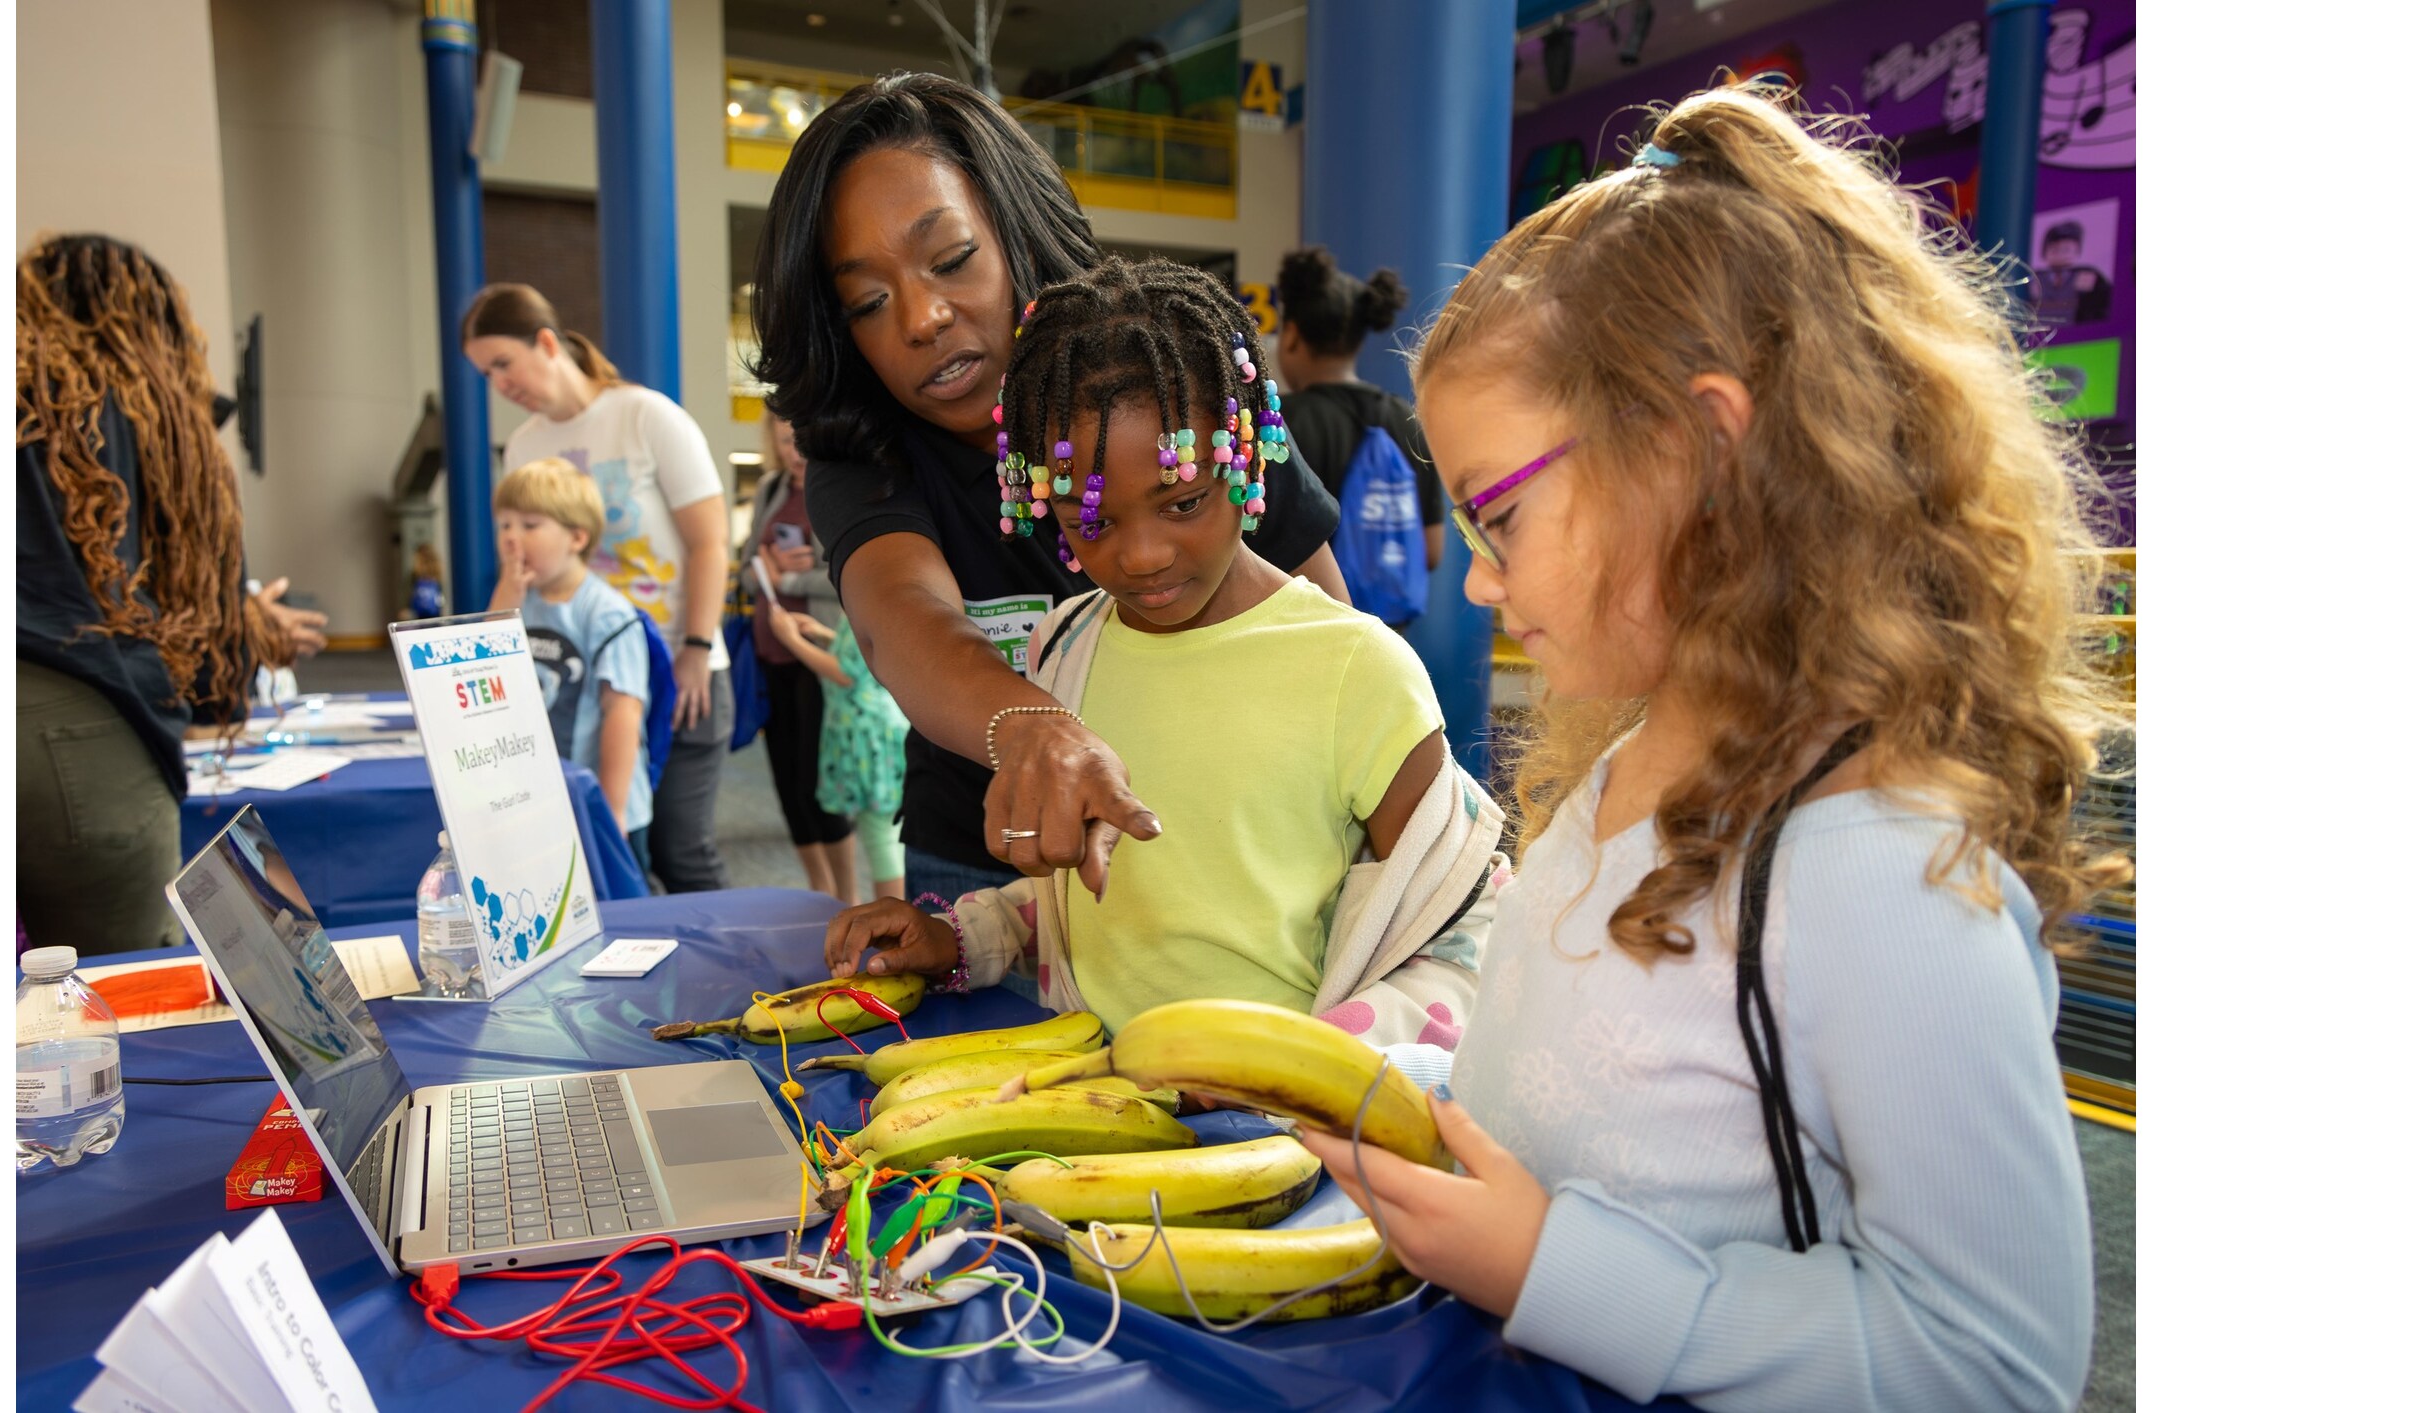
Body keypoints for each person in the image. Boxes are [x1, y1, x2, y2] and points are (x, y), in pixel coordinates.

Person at [1296, 90, 2118, 1411]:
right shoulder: (1628, 767)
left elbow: (1989, 1362)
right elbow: (1622, 1113)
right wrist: (1417, 1095)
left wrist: (1550, 1266)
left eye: (1502, 518)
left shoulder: (1878, 874)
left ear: (1700, 451)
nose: (1483, 587)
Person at [817, 256, 1504, 1044]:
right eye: (1092, 520)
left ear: (1245, 459)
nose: (1140, 556)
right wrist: (961, 939)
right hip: (1093, 1113)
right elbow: (1089, 912)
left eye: (1183, 501)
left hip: (1280, 1133)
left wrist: (1300, 1058)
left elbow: (1463, 933)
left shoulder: (1359, 668)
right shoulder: (1063, 652)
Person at [751, 71, 1353, 909]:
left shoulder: (1177, 370)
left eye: (952, 259)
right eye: (869, 301)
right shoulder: (864, 453)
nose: (922, 317)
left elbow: (1331, 637)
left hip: (1226, 850)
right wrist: (1032, 730)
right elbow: (909, 623)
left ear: (1015, 232)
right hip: (986, 865)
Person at [17, 233, 325, 953]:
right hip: (79, 726)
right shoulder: (153, 412)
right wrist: (248, 637)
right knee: (117, 993)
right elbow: (206, 630)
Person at [463, 284, 733, 893]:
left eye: (503, 362)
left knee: (679, 851)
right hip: (583, 675)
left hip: (673, 659)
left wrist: (694, 646)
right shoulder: (526, 444)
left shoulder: (645, 415)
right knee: (602, 849)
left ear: (548, 342)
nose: (499, 383)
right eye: (486, 373)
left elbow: (710, 542)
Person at [488, 458, 654, 872]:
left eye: (529, 525)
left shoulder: (606, 613)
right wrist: (507, 594)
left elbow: (623, 713)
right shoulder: (517, 600)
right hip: (539, 798)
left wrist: (612, 811)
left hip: (598, 799)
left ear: (577, 537)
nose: (511, 539)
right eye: (504, 525)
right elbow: (482, 662)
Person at [1272, 245, 1445, 578]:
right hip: (1388, 628)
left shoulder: (1276, 424)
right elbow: (1431, 550)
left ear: (1292, 335)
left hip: (1306, 621)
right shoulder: (1406, 419)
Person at [746, 412, 857, 901]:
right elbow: (747, 567)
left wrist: (790, 578)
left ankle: (848, 897)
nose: (793, 447)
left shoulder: (835, 486)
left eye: (800, 436)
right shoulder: (770, 489)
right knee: (788, 780)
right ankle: (819, 891)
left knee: (821, 782)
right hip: (771, 651)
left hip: (820, 650)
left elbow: (848, 573)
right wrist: (766, 570)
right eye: (783, 436)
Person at [764, 606, 910, 903]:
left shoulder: (868, 597)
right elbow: (859, 653)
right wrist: (821, 633)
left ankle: (895, 922)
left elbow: (846, 673)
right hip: (869, 732)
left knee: (881, 836)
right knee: (885, 834)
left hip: (868, 738)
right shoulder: (867, 599)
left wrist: (793, 641)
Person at [2031, 219, 2114, 326]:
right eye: (2054, 249)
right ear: (2044, 251)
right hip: (2037, 336)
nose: (2060, 254)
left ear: (2077, 251)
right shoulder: (2032, 278)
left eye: (2066, 250)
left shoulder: (2089, 276)